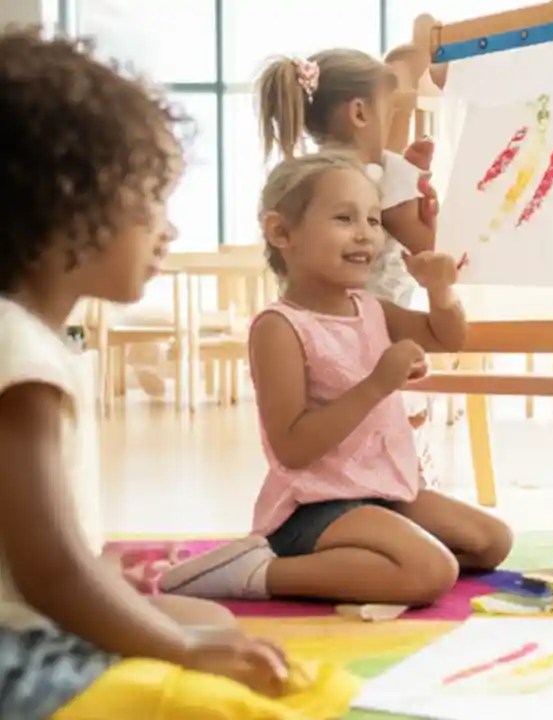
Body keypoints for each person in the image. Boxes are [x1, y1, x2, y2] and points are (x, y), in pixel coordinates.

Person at [0, 27, 327, 717]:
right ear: (67, 206)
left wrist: (113, 586)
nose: (169, 230)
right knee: (215, 691)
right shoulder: (18, 352)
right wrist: (179, 653)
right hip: (15, 657)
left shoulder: (29, 339)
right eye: (152, 198)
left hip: (29, 620)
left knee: (212, 624)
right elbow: (50, 568)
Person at [158, 151, 512, 605]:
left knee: (491, 541)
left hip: (383, 492)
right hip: (313, 506)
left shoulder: (370, 308)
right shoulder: (279, 327)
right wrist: (377, 385)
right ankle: (257, 571)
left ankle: (376, 561)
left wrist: (440, 292)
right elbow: (292, 448)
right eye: (344, 218)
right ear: (281, 232)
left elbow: (448, 337)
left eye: (373, 219)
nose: (366, 233)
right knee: (432, 571)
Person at [256, 48, 444, 470]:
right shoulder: (374, 180)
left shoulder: (313, 177)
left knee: (337, 450)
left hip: (324, 340)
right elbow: (433, 247)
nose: (392, 127)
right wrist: (413, 190)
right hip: (370, 335)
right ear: (359, 113)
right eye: (390, 113)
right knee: (387, 453)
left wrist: (407, 174)